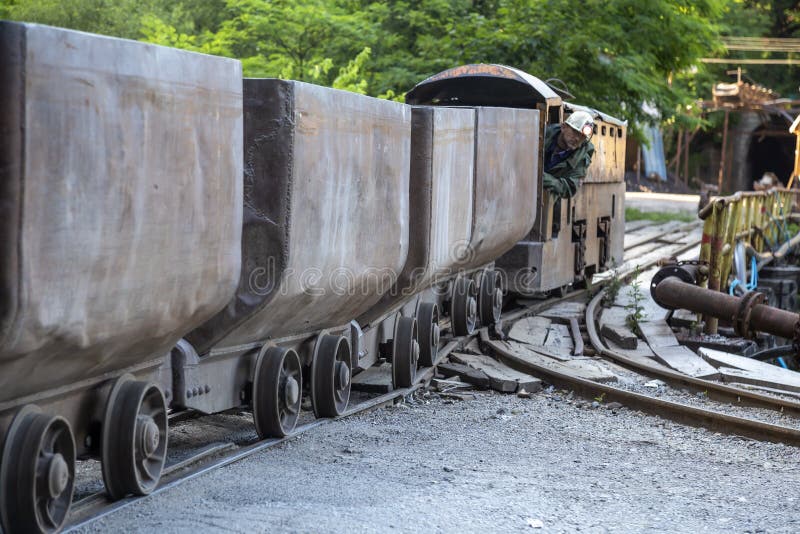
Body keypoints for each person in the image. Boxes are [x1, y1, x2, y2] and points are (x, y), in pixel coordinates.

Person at [542, 110, 595, 199]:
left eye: (582, 136)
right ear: (563, 127)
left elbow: (569, 188)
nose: (578, 138)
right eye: (575, 132)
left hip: (547, 200)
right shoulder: (543, 134)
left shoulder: (581, 158)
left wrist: (541, 177)